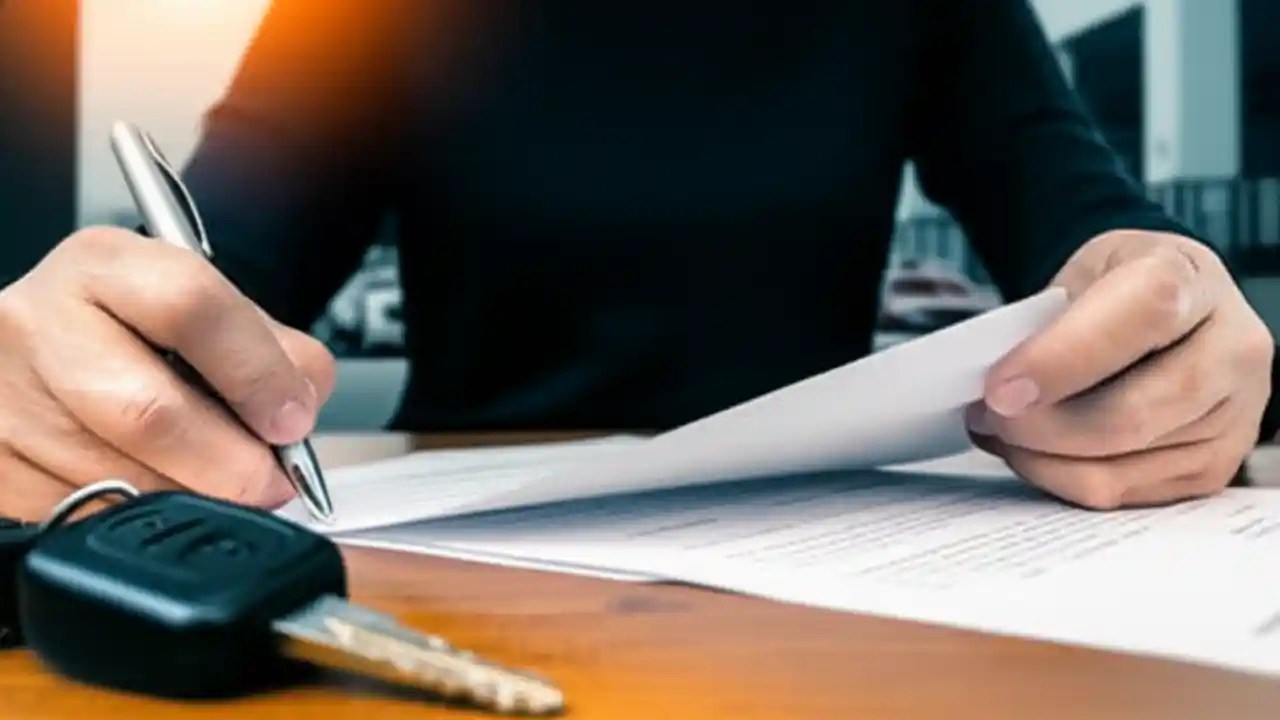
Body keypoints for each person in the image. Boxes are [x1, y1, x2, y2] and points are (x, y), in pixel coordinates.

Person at [0, 0, 1273, 521]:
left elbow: (1075, 213)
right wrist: (85, 349)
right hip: (471, 556)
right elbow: (217, 265)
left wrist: (1170, 310)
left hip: (836, 552)